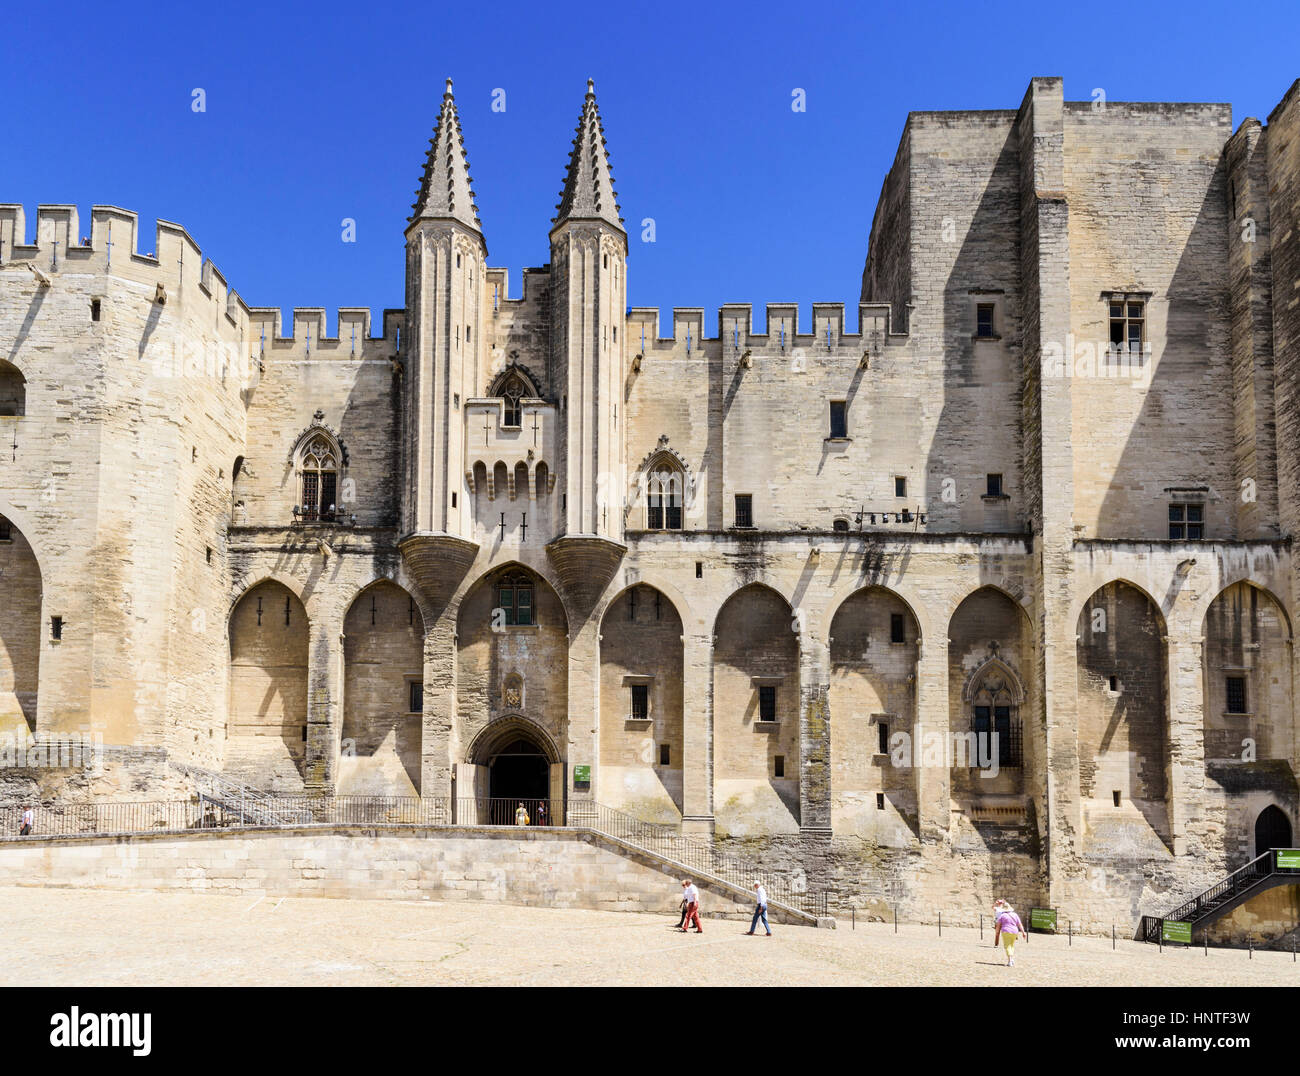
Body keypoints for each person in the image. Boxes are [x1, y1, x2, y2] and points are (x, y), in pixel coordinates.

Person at [992, 899, 1024, 966]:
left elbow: (998, 925)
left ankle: (1010, 960)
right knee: (1011, 945)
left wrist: (997, 932)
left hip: (1006, 931)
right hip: (1015, 931)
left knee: (1007, 946)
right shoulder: (1015, 915)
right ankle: (1011, 958)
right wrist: (1023, 932)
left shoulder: (1002, 916)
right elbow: (1019, 924)